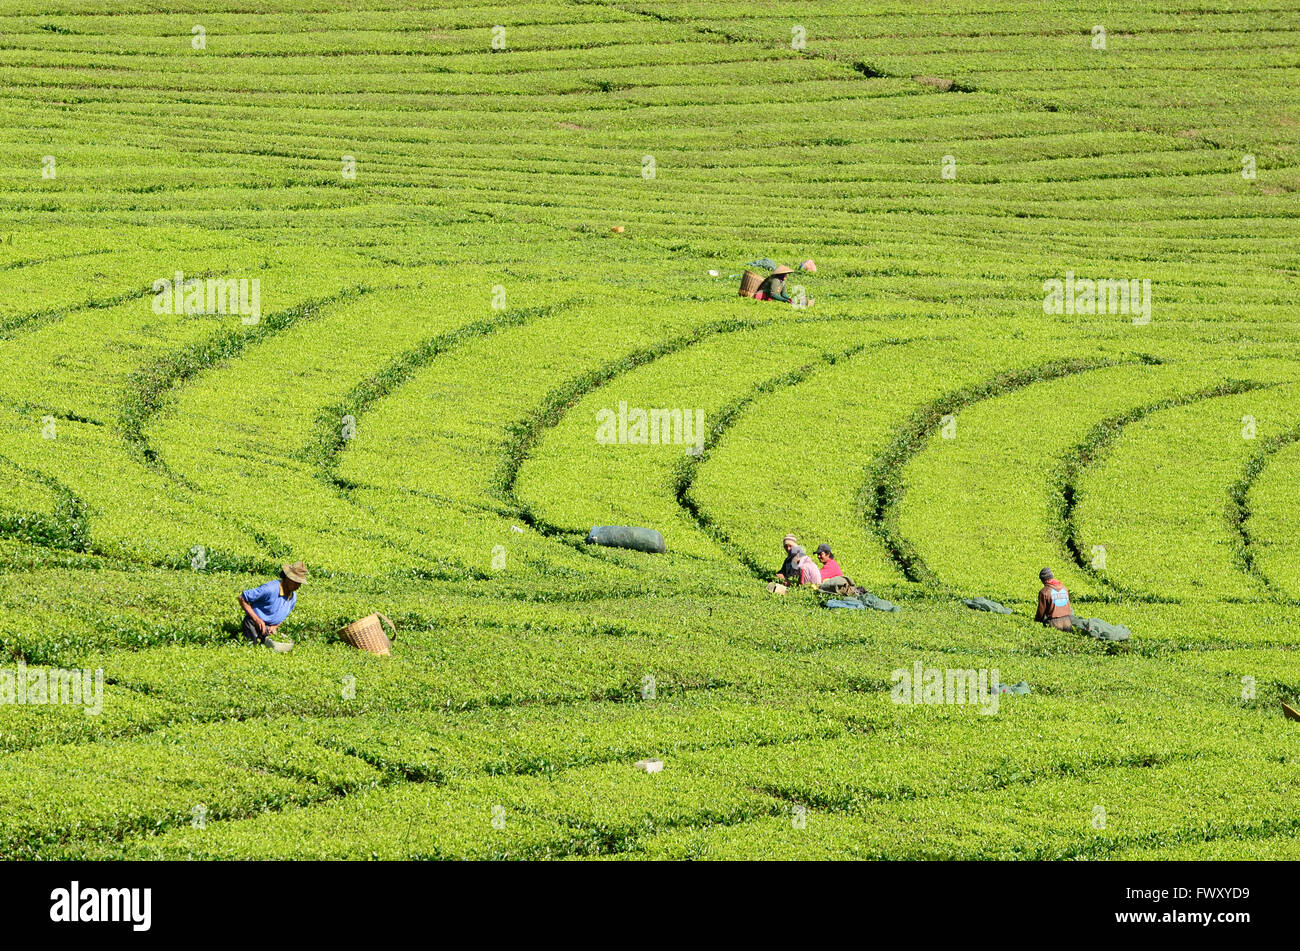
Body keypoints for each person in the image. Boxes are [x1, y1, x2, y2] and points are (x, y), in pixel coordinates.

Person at [238, 561, 308, 652]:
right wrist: (257, 620)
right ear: (287, 578)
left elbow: (282, 616)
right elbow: (242, 598)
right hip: (254, 625)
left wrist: (275, 626)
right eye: (295, 582)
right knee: (253, 650)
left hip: (269, 629)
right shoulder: (269, 589)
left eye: (299, 583)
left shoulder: (293, 597)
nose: (298, 586)